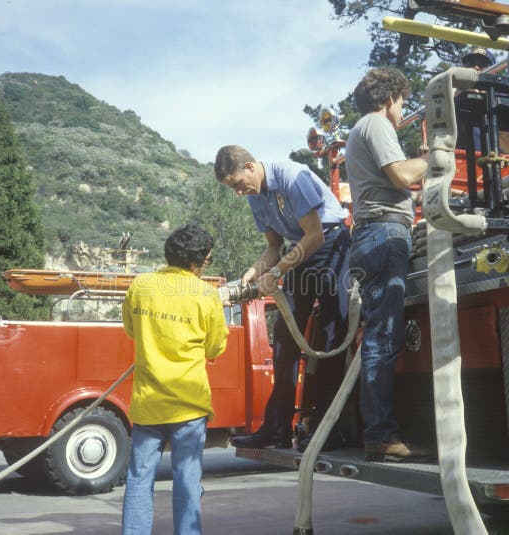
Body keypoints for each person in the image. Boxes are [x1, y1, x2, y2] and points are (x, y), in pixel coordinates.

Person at [214, 145, 350, 452]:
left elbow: (316, 235)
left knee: (331, 338)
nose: (238, 192)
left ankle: (325, 429)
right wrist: (254, 271)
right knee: (284, 340)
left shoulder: (292, 176)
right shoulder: (255, 195)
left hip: (330, 246)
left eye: (237, 184)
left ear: (249, 167)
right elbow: (274, 246)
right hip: (299, 252)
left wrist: (276, 272)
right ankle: (276, 428)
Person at [121, 223, 229, 535]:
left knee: (139, 479)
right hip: (189, 405)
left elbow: (131, 330)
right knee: (186, 480)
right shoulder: (206, 295)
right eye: (206, 260)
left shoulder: (140, 285)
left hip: (147, 403)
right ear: (197, 262)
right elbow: (215, 346)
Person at [345, 67, 429, 462]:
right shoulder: (377, 124)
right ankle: (380, 435)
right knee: (383, 337)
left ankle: (377, 431)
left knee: (379, 334)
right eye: (402, 101)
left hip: (371, 236)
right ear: (390, 97)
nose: (403, 110)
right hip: (384, 234)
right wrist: (432, 160)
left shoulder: (359, 129)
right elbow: (399, 176)